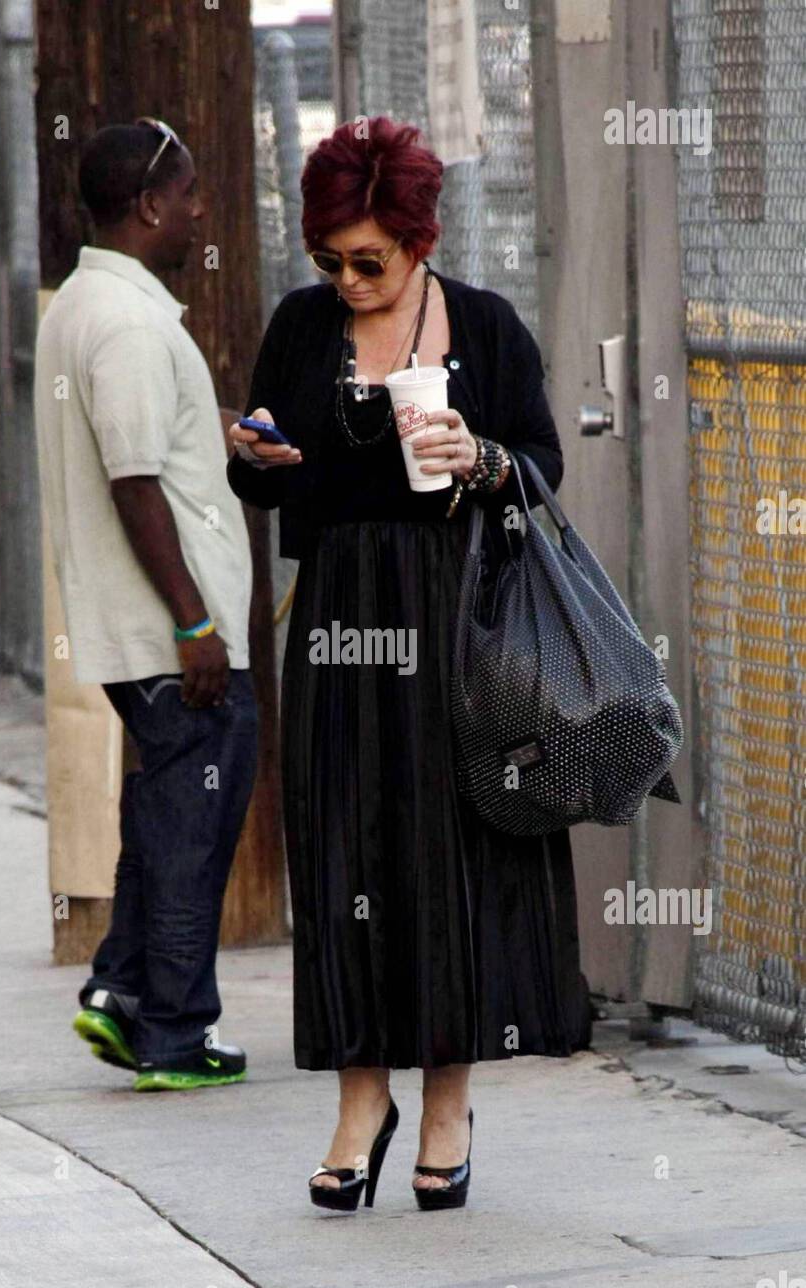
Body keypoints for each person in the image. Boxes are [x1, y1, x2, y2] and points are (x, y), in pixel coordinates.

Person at [228, 117, 592, 1212]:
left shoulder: (483, 326)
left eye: (370, 261)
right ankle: (358, 1099)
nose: (348, 279)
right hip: (341, 627)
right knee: (344, 850)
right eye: (330, 259)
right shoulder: (301, 328)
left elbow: (540, 461)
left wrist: (479, 458)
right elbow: (271, 481)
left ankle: (445, 1104)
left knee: (450, 856)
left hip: (461, 627)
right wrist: (255, 458)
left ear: (421, 240)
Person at [34, 120, 257, 1092]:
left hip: (147, 631)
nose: (201, 211)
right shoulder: (125, 322)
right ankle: (173, 1032)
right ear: (149, 206)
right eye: (192, 192)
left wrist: (223, 437)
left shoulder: (89, 305)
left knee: (167, 810)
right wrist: (195, 621)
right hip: (174, 634)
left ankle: (122, 992)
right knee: (192, 826)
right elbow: (133, 480)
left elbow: (144, 442)